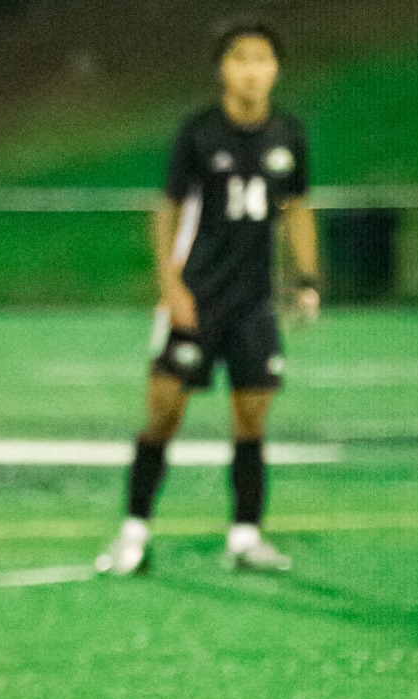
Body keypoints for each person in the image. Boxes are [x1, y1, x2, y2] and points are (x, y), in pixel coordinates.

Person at [96, 20, 320, 576]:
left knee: (252, 418)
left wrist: (308, 279)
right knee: (163, 413)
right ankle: (132, 533)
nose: (253, 70)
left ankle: (245, 536)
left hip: (252, 306)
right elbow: (167, 210)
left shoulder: (287, 136)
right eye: (241, 59)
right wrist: (171, 288)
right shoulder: (199, 133)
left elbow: (297, 209)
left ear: (276, 70)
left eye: (263, 60)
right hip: (196, 300)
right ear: (223, 69)